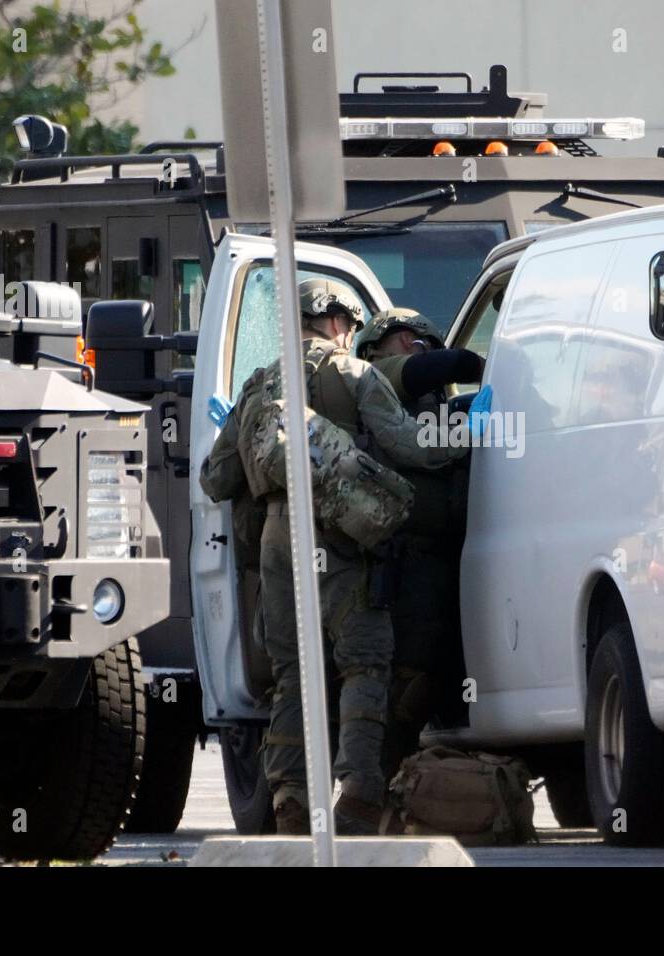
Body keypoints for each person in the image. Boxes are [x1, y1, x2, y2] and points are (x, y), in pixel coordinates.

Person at [253, 280, 468, 835]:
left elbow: (217, 475)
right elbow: (410, 446)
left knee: (291, 673)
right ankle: (357, 796)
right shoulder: (355, 374)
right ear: (341, 326)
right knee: (364, 664)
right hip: (342, 532)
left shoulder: (260, 384)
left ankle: (290, 801)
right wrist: (474, 435)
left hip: (278, 537)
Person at [354, 309, 484, 774]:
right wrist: (484, 363)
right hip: (408, 559)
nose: (415, 346)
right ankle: (379, 781)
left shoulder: (433, 408)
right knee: (408, 680)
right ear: (374, 347)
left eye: (423, 339)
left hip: (450, 556)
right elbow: (433, 368)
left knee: (442, 669)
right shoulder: (375, 378)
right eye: (404, 338)